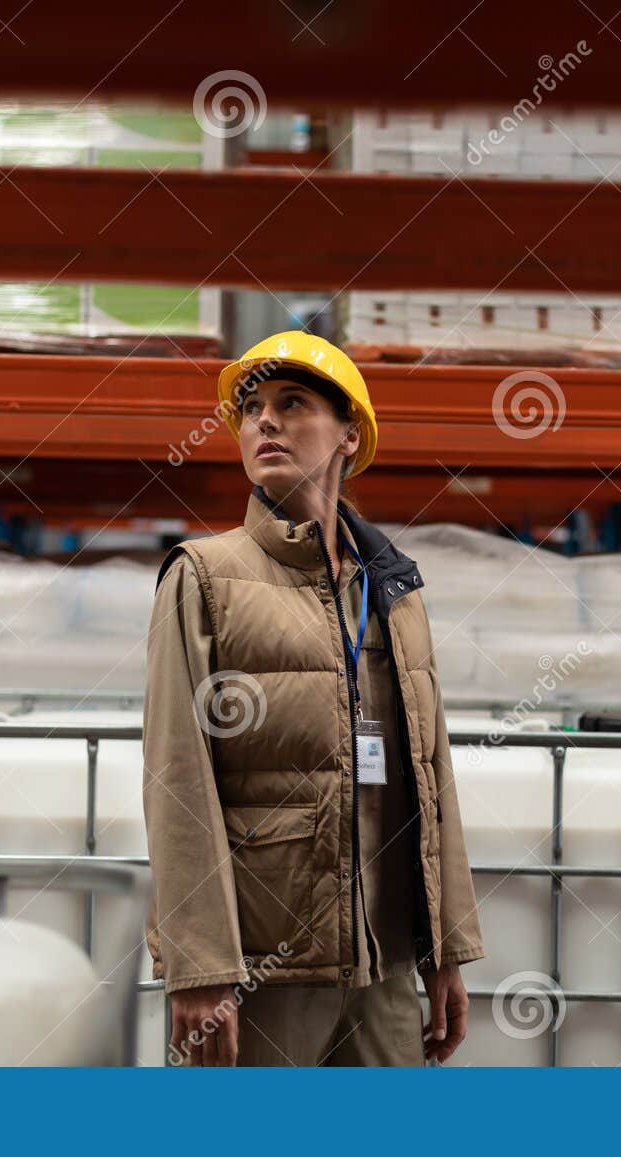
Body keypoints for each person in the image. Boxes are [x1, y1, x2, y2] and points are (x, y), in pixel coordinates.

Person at [142, 330, 486, 1066]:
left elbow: (431, 774)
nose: (264, 420)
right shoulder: (205, 576)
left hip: (384, 965)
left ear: (348, 433)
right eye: (252, 408)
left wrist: (446, 946)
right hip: (267, 970)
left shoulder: (394, 587)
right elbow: (178, 778)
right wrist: (199, 967)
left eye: (292, 403)